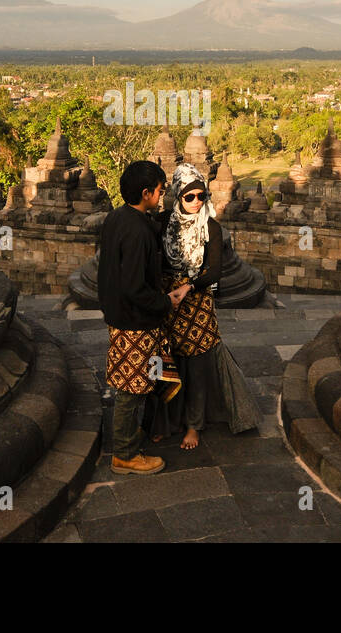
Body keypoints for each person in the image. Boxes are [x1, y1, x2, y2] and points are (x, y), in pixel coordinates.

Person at [147, 162, 260, 450]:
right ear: (177, 195)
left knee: (196, 366)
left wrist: (187, 287)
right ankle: (165, 421)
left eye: (202, 196)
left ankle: (193, 426)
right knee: (166, 362)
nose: (197, 202)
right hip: (166, 303)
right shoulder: (161, 224)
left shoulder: (211, 227)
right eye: (189, 196)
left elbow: (214, 271)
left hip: (197, 303)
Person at [97, 160, 191, 475]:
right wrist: (167, 301)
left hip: (119, 316)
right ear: (146, 192)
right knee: (131, 390)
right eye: (161, 191)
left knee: (133, 383)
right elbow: (135, 286)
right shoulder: (137, 231)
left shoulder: (117, 218)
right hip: (135, 321)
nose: (163, 197)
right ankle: (124, 454)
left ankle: (127, 436)